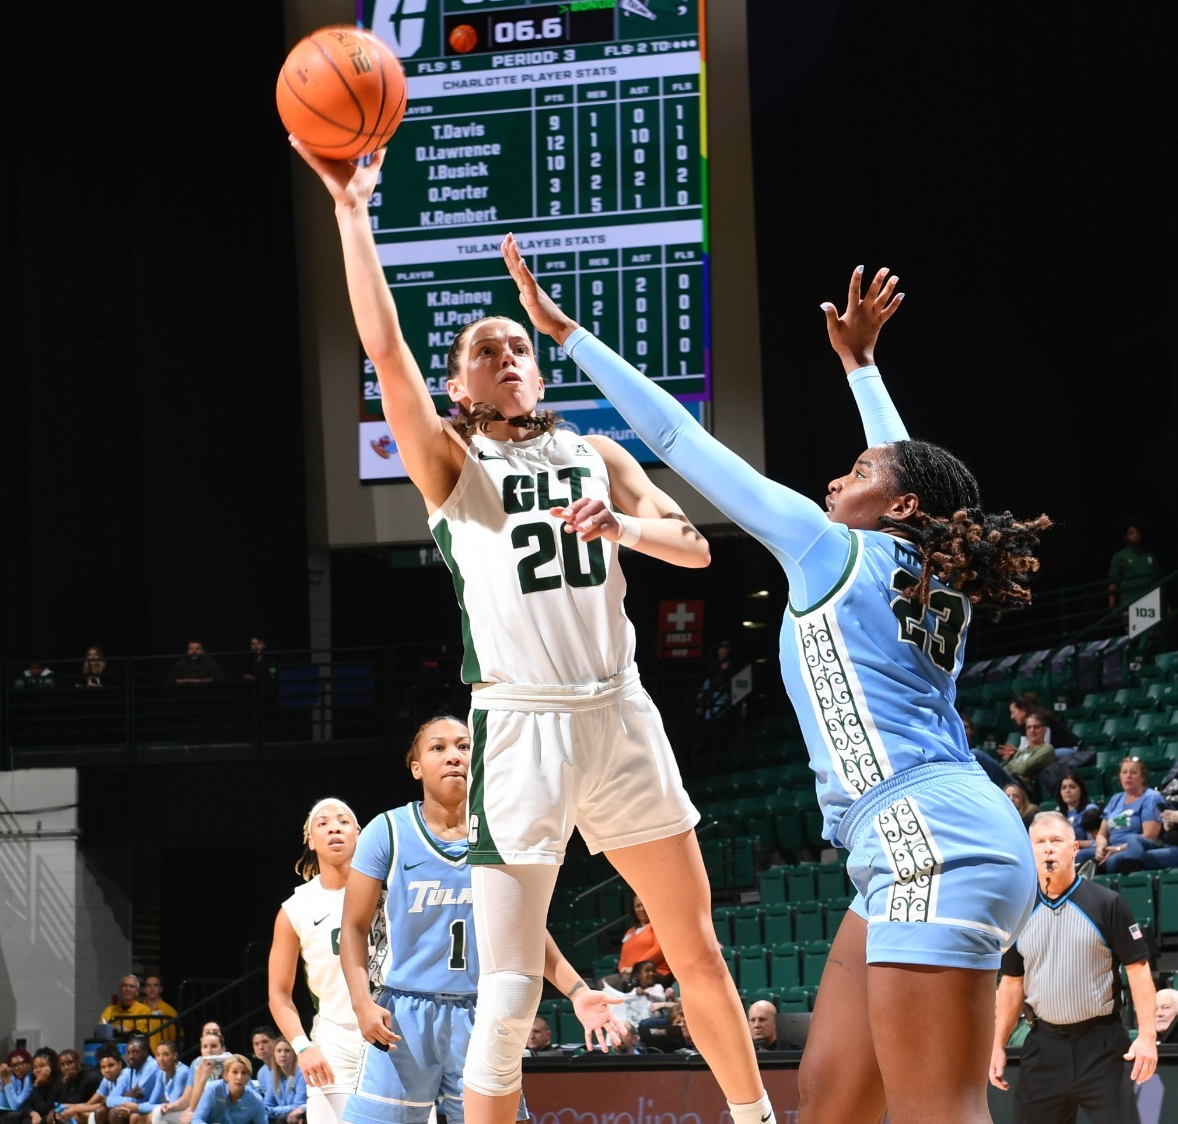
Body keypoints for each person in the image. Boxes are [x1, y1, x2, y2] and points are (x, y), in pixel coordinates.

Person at [511, 251, 1050, 1123]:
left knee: (936, 1115)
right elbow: (907, 471)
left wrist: (569, 336)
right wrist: (862, 367)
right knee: (833, 1103)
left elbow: (679, 441)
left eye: (859, 474)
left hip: (928, 837)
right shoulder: (927, 568)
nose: (839, 478)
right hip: (918, 842)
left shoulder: (828, 546)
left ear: (901, 505)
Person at [299, 145, 774, 1124]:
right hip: (517, 723)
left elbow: (690, 547)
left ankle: (758, 1117)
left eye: (517, 344)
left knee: (696, 947)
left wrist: (624, 526)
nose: (507, 356)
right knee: (509, 994)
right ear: (459, 383)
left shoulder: (596, 451)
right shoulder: (451, 463)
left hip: (620, 709)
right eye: (484, 350)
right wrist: (353, 214)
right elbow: (383, 349)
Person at [340, 715, 624, 1124]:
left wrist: (577, 991)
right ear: (416, 766)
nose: (453, 756)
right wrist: (361, 1002)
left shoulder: (502, 834)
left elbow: (523, 928)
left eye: (464, 746)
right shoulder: (387, 832)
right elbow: (353, 927)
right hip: (403, 1012)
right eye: (438, 748)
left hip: (483, 1013)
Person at [992, 813, 1157, 1124]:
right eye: (1039, 843)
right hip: (1044, 1047)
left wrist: (1147, 1037)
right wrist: (997, 1045)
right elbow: (1013, 982)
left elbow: (1138, 970)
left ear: (1074, 848)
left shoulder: (1107, 904)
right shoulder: (1017, 911)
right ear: (1029, 852)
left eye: (1056, 841)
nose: (1048, 849)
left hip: (1103, 1047)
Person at [268, 799, 365, 1124]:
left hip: (393, 1036)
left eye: (343, 821)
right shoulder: (295, 909)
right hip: (335, 1041)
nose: (334, 827)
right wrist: (302, 1046)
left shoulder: (391, 890)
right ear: (310, 839)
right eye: (322, 823)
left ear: (359, 833)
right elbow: (279, 996)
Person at [1091, 758, 1164, 867]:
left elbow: (1149, 835)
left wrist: (1119, 849)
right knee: (1080, 856)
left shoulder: (1151, 797)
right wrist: (1100, 847)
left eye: (1133, 772)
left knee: (1113, 861)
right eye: (1124, 772)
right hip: (1111, 847)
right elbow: (1102, 833)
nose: (1128, 776)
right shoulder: (1115, 799)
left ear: (1142, 777)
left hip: (1135, 847)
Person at [191, 1055, 268, 1124]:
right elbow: (197, 1119)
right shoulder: (213, 1089)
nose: (239, 1077)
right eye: (235, 1072)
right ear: (226, 1075)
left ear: (248, 1077)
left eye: (244, 1073)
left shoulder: (256, 1100)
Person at [1001, 711, 1059, 795]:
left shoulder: (1047, 749)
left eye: (1036, 727)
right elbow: (1010, 768)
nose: (1032, 730)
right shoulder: (1024, 751)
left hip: (1022, 788)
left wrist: (1013, 764)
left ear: (1045, 730)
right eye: (1029, 727)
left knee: (978, 755)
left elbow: (1024, 768)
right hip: (1008, 783)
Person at [617, 896, 673, 983]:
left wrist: (635, 968)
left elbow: (659, 949)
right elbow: (623, 958)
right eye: (638, 906)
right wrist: (623, 969)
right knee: (604, 982)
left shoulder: (658, 926)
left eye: (644, 904)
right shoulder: (630, 932)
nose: (642, 909)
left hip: (654, 973)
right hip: (631, 974)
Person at [1107, 524, 1161, 609]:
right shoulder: (1119, 556)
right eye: (1131, 533)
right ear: (1126, 537)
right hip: (1129, 602)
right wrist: (1112, 605)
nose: (1135, 535)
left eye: (1137, 532)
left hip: (1150, 602)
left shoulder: (1150, 556)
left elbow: (1158, 581)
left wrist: (1165, 603)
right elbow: (1113, 583)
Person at [253, 1040, 305, 1124]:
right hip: (282, 1116)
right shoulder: (274, 1075)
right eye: (279, 1051)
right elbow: (267, 1104)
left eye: (287, 1051)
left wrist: (271, 1111)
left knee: (282, 1119)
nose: (283, 1055)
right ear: (274, 1055)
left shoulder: (301, 1074)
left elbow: (299, 1106)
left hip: (299, 1116)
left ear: (294, 1055)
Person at [102, 975, 154, 1040]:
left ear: (137, 992)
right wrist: (120, 1030)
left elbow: (138, 1033)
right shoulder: (109, 1010)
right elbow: (102, 1031)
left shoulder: (144, 1010)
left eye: (131, 986)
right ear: (120, 990)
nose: (127, 989)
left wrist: (119, 1030)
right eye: (125, 986)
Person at [1056, 775, 1100, 845]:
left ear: (1081, 790)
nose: (1067, 790)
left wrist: (1073, 843)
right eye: (1064, 788)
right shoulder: (1058, 814)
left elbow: (1096, 842)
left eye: (1072, 787)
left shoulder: (1090, 809)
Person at [142, 974, 181, 1048]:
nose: (152, 988)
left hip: (162, 1056)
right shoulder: (138, 1009)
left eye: (155, 985)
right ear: (144, 989)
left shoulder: (169, 1011)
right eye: (148, 985)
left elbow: (176, 1039)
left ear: (161, 989)